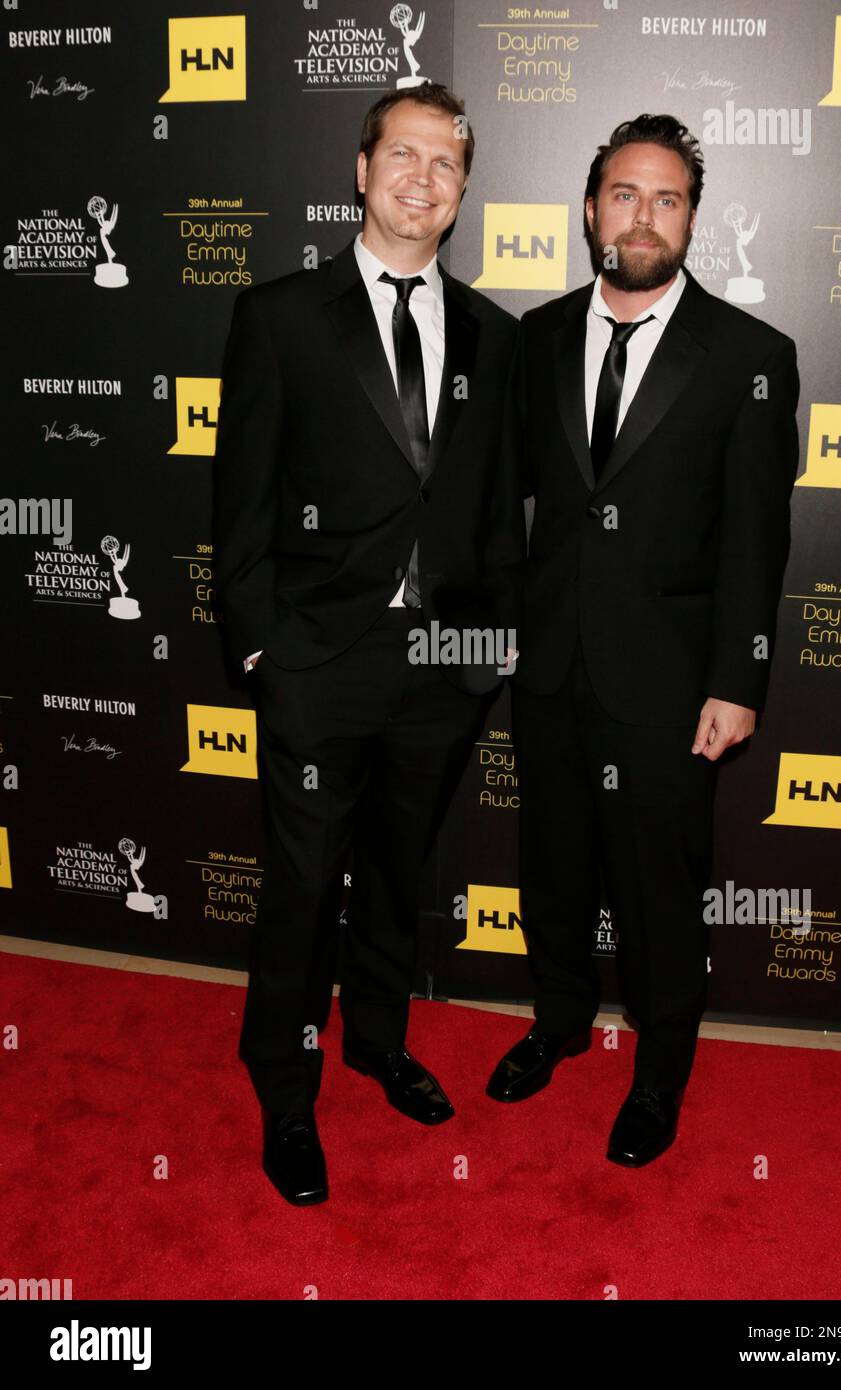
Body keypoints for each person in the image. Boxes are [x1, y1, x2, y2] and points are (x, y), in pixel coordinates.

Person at [212, 82, 522, 1205]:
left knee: (398, 873)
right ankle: (285, 1092)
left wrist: (485, 653)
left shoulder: (496, 334)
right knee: (301, 890)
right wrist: (260, 651)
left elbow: (493, 515)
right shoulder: (282, 315)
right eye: (403, 155)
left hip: (442, 674)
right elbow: (237, 504)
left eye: (445, 163)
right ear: (360, 169)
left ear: (462, 190)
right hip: (314, 662)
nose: (421, 178)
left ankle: (378, 1044)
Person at [486, 114, 800, 1167]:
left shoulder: (750, 358)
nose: (644, 216)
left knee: (661, 892)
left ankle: (660, 1073)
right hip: (548, 670)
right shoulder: (532, 340)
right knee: (555, 867)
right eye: (626, 193)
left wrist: (738, 678)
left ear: (693, 220)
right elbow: (499, 510)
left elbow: (759, 540)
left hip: (671, 686)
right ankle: (562, 1023)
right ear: (591, 208)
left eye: (668, 199)